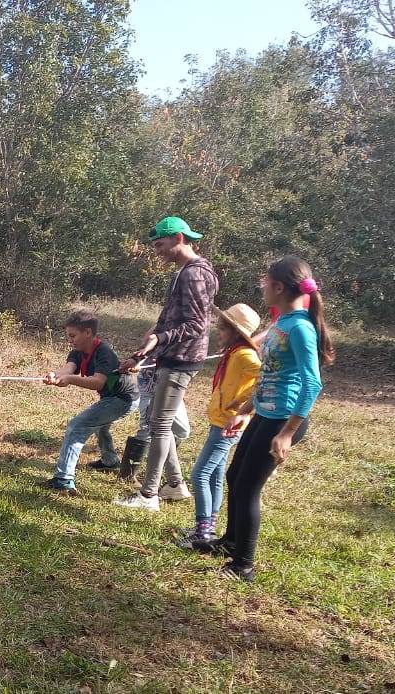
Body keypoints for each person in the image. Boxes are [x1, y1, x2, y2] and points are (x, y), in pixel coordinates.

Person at [196, 257, 332, 582]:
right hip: (265, 414)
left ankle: (243, 565)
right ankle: (230, 543)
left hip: (283, 420)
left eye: (265, 281)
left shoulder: (300, 328)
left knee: (247, 488)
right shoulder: (282, 323)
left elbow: (312, 383)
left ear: (279, 287)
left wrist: (287, 433)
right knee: (234, 477)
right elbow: (269, 375)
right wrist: (245, 412)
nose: (262, 286)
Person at [115, 216, 219, 511]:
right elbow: (169, 317)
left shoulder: (194, 275)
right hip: (170, 355)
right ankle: (175, 485)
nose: (157, 251)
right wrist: (141, 354)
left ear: (178, 239)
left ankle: (148, 495)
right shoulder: (184, 272)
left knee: (159, 424)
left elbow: (196, 325)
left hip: (181, 358)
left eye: (160, 244)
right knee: (161, 421)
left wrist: (160, 339)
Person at [175, 304, 261, 550]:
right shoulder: (234, 353)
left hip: (229, 424)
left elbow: (267, 378)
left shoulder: (245, 355)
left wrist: (243, 405)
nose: (218, 331)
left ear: (234, 331)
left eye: (222, 327)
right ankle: (208, 527)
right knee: (213, 475)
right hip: (220, 420)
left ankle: (202, 532)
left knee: (199, 474)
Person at [41, 310, 139, 493]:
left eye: (73, 335)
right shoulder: (77, 352)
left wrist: (70, 380)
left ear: (87, 332)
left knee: (77, 426)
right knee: (100, 425)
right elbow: (68, 369)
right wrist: (55, 375)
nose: (70, 340)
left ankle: (63, 479)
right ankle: (110, 461)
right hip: (111, 397)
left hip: (123, 399)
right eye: (68, 336)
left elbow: (98, 382)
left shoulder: (104, 353)